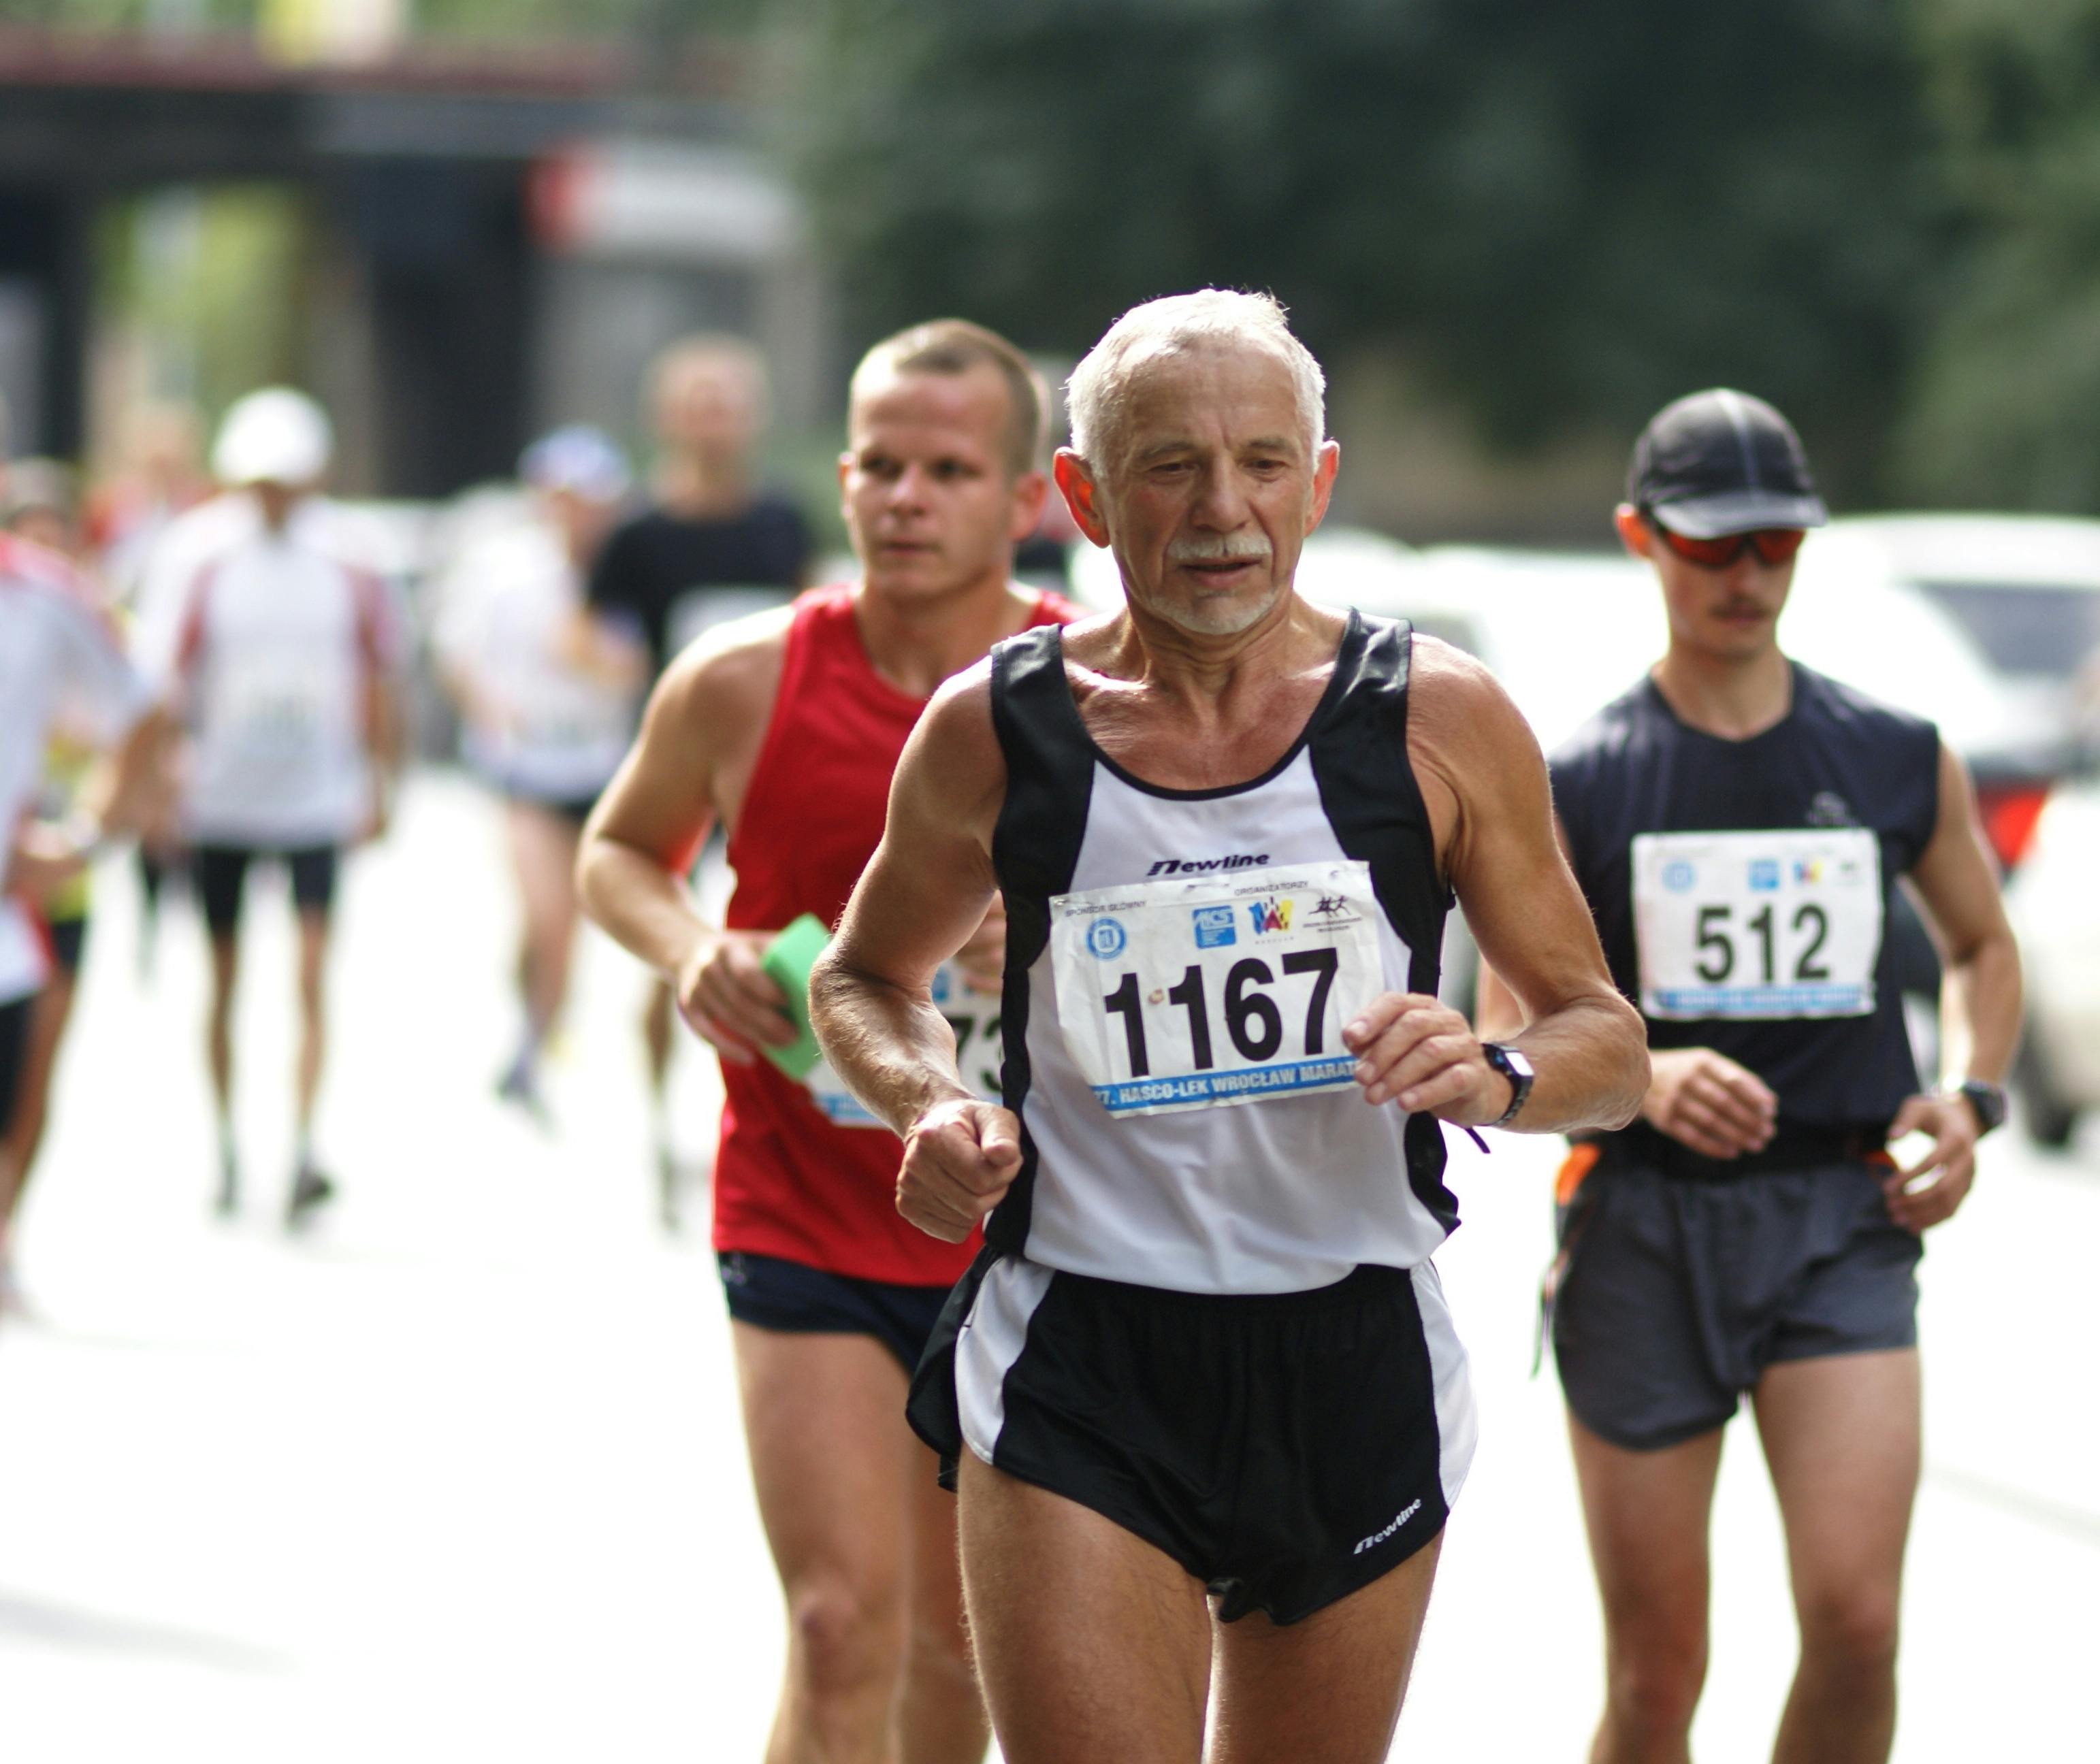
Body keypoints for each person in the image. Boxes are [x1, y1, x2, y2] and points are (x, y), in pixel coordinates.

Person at [806, 291, 1649, 1764]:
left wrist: (1496, 1070)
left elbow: (1608, 1043)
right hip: (1083, 1343)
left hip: (1351, 1348)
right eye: (1170, 466)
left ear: (1318, 484)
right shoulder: (998, 728)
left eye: (1263, 463)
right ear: (1083, 496)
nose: (1222, 511)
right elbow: (862, 979)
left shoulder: (1437, 718)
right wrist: (926, 1101)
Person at [1476, 389, 2022, 1764]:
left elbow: (1982, 945)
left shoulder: (1894, 752)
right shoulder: (1579, 776)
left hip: (1843, 1216)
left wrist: (1969, 1097)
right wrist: (1643, 1073)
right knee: (1658, 1675)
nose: (1748, 573)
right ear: (1640, 539)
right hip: (1642, 1225)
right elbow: (1505, 1029)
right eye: (1713, 543)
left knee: (1857, 1621)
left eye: (1776, 542)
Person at [577, 318, 1076, 1764]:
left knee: (955, 1652)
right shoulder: (743, 677)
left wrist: (1044, 931)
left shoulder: (1096, 689)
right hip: (802, 1202)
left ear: (1023, 497)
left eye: (949, 470)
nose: (907, 497)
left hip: (1026, 1228)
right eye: (880, 466)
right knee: (839, 1626)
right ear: (843, 479)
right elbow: (618, 850)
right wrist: (695, 948)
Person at [135, 388, 402, 1226]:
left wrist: (383, 779)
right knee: (224, 976)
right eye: (260, 483)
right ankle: (225, 1143)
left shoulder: (351, 557)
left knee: (311, 972)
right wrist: (159, 786)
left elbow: (379, 673)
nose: (274, 498)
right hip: (220, 799)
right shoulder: (197, 553)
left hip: (314, 797)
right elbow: (162, 680)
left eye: (286, 482)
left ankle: (302, 1145)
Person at [585, 334, 815, 1220]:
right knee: (672, 946)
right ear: (668, 419)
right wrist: (643, 683)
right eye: (698, 403)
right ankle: (655, 1124)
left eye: (728, 403)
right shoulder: (640, 533)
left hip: (773, 766)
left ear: (753, 418)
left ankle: (768, 1116)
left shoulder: (782, 521)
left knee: (777, 942)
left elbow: (813, 613)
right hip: (679, 766)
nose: (713, 420)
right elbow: (587, 628)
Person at [435, 427, 644, 1121]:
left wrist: (595, 659)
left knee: (569, 923)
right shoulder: (504, 570)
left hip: (601, 768)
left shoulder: (624, 569)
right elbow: (459, 653)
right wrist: (492, 712)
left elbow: (638, 663)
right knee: (544, 912)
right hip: (526, 766)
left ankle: (540, 1032)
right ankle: (531, 1030)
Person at [0, 527, 172, 1311]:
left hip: (28, 910)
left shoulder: (47, 602)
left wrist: (81, 840)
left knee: (28, 1085)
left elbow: (145, 713)